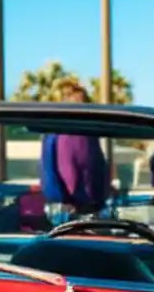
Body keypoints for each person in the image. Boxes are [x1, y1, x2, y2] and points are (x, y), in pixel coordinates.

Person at [39, 82, 109, 225]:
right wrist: (61, 201)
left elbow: (99, 167)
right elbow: (49, 171)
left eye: (84, 103)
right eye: (77, 103)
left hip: (92, 209)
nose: (82, 107)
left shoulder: (90, 134)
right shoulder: (55, 133)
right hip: (64, 211)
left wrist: (100, 201)